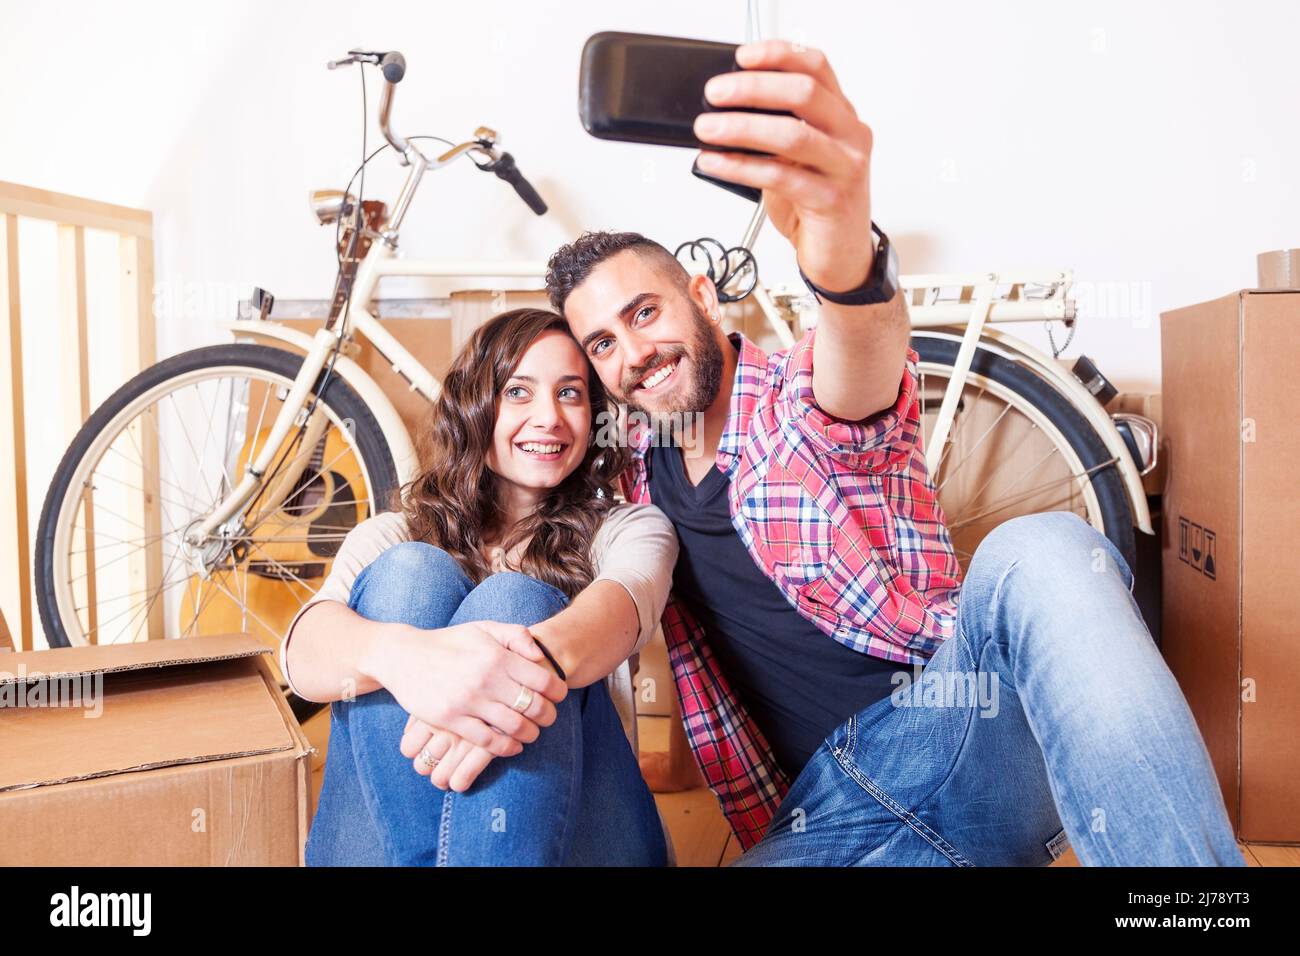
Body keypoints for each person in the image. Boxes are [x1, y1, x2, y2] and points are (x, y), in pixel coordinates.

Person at [544, 39, 1245, 866]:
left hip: (960, 731)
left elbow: (860, 353)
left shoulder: (796, 394)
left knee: (1042, 552)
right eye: (603, 343)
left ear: (702, 296)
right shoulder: (630, 478)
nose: (634, 352)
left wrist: (844, 250)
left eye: (644, 313)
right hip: (827, 819)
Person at [282, 308, 677, 866]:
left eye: (569, 394)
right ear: (474, 407)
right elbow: (301, 659)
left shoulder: (629, 527)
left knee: (514, 601)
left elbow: (624, 608)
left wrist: (499, 679)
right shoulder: (394, 534)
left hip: (583, 840)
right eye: (518, 392)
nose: (549, 418)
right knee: (410, 573)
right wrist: (411, 662)